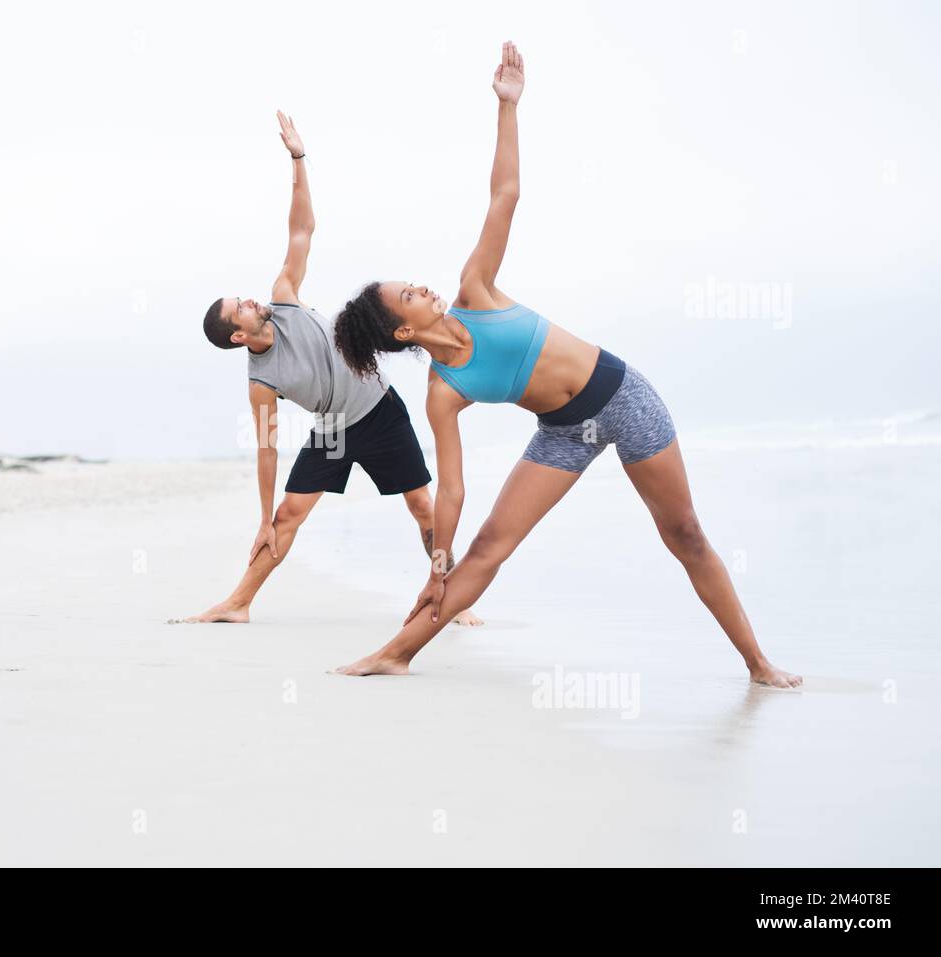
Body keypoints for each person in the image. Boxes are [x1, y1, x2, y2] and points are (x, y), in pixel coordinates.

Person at [330, 43, 801, 687]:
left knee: (684, 533)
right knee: (487, 548)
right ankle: (396, 651)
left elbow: (506, 193)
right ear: (404, 329)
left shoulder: (477, 290)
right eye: (409, 295)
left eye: (412, 282)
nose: (422, 285)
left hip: (624, 397)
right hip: (562, 432)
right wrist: (437, 557)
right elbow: (455, 488)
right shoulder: (444, 390)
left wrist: (508, 107)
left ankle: (758, 663)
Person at [179, 111, 482, 626]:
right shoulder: (260, 382)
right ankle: (238, 603)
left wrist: (298, 158)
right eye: (241, 307)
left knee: (423, 508)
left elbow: (301, 228)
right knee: (286, 517)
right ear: (238, 335)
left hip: (380, 412)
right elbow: (267, 448)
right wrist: (261, 516)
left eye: (244, 298)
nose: (252, 301)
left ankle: (448, 602)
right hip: (334, 433)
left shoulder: (284, 298)